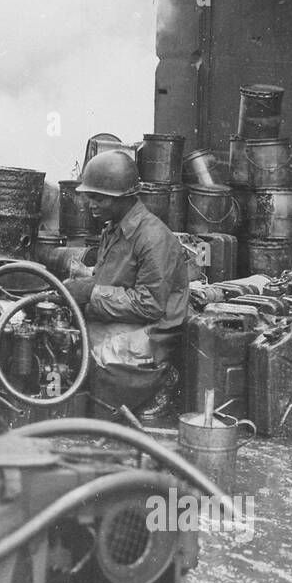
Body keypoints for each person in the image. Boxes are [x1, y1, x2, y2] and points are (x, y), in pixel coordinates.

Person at [60, 149, 190, 419]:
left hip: (154, 333)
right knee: (61, 336)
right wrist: (85, 279)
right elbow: (112, 279)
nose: (90, 205)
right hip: (126, 320)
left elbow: (150, 304)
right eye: (89, 197)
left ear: (124, 198)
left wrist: (91, 292)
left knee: (92, 356)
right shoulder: (114, 227)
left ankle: (162, 383)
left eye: (99, 199)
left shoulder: (153, 237)